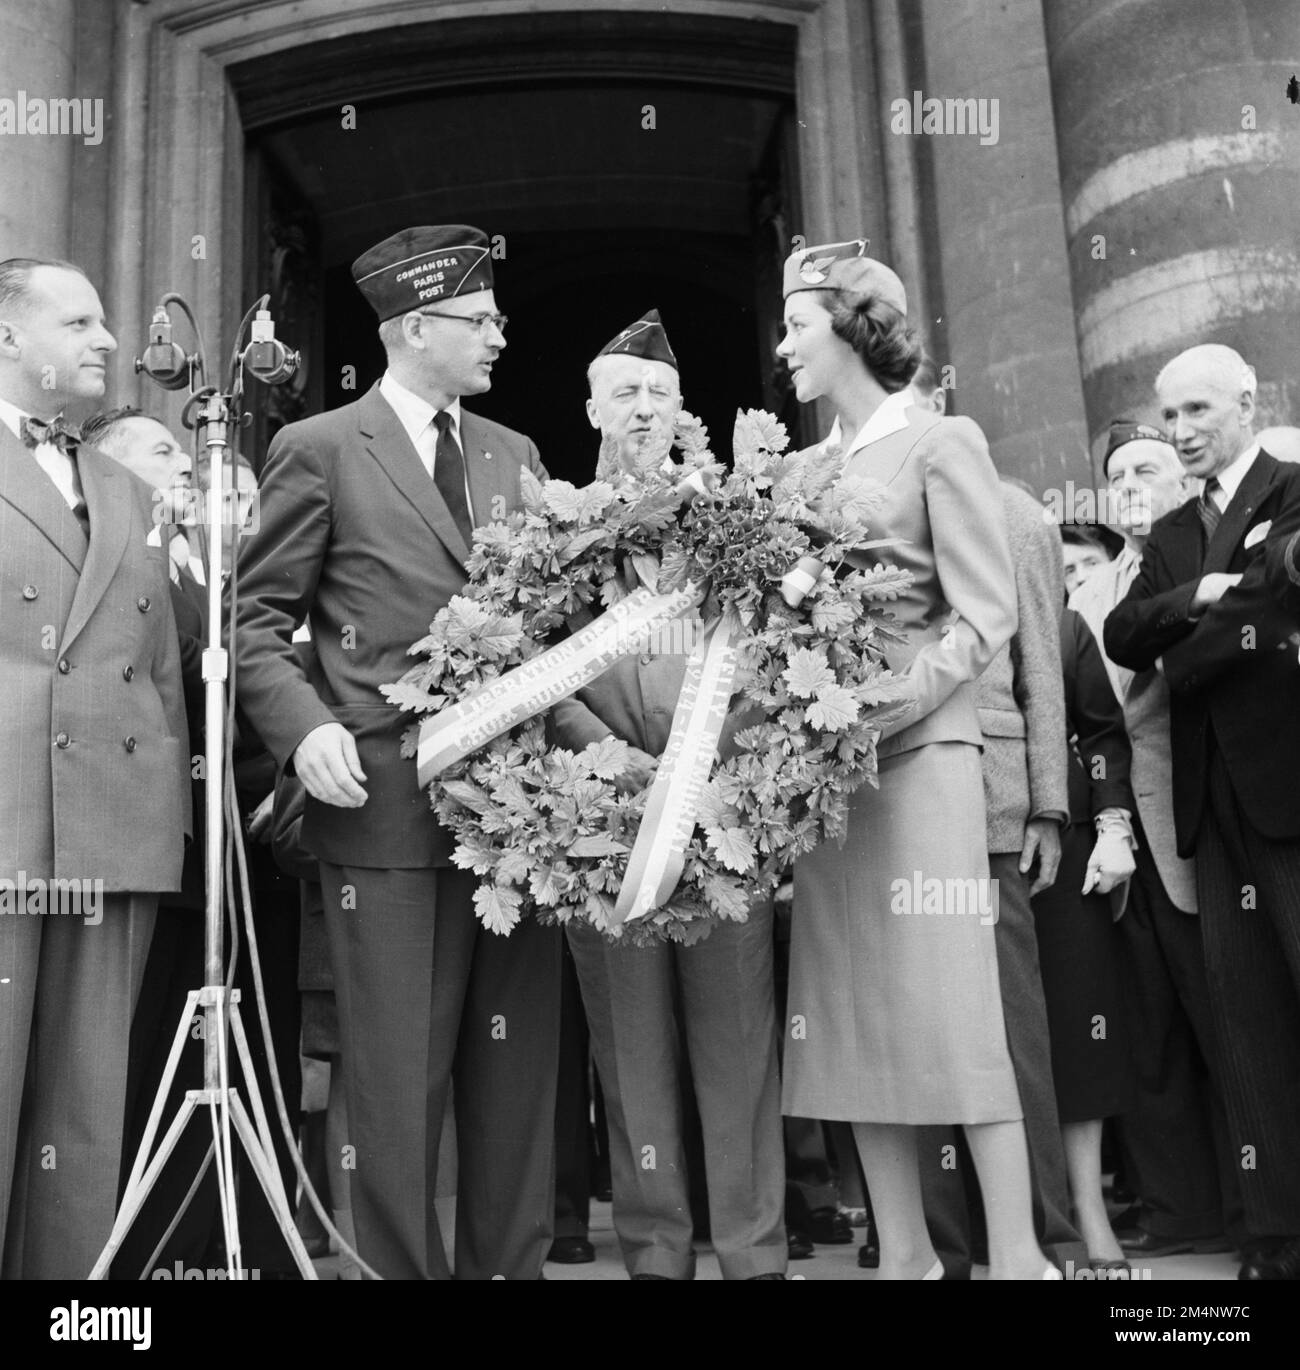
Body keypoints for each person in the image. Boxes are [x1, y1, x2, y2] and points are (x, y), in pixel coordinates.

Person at [232, 225, 562, 1280]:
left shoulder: (517, 454)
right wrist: (307, 724)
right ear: (416, 326)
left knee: (515, 1092)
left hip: (520, 822)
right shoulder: (322, 446)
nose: (500, 334)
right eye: (481, 318)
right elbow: (253, 619)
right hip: (381, 811)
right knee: (391, 1086)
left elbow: (557, 629)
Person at [776, 239, 1056, 1280]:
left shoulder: (945, 441)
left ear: (851, 326)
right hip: (830, 770)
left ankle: (1020, 1257)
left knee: (952, 1007)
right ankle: (902, 1258)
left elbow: (982, 616)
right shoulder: (800, 470)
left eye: (795, 324)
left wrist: (876, 707)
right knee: (849, 1015)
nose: (779, 346)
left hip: (924, 757)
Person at [553, 310, 787, 1280]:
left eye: (658, 392)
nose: (643, 408)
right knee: (630, 1049)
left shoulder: (736, 514)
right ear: (591, 406)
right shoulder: (555, 524)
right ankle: (655, 1248)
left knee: (739, 1046)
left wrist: (716, 770)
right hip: (609, 823)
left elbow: (781, 652)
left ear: (682, 405)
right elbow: (530, 670)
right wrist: (616, 766)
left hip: (723, 809)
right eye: (625, 392)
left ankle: (752, 1247)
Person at [0, 257, 191, 1278]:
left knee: (82, 1113)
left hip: (112, 826)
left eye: (107, 323)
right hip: (7, 823)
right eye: (78, 322)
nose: (109, 343)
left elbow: (156, 661)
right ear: (7, 339)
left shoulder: (123, 482)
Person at [1104, 345, 1300, 1280]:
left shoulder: (1295, 490)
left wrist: (1182, 651)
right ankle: (1275, 1234)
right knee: (1250, 1024)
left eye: (1194, 412)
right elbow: (1120, 630)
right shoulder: (1173, 532)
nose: (1178, 432)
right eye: (1167, 415)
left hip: (1290, 790)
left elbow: (1281, 604)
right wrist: (1202, 598)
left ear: (1247, 402)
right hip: (1209, 807)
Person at [1072, 419, 1241, 1260]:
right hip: (1112, 831)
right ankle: (1181, 1212)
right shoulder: (1090, 592)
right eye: (1117, 474)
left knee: (1225, 1016)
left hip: (1200, 820)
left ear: (1184, 480)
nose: (1132, 482)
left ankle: (1257, 1206)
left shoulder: (1214, 557)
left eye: (1149, 466)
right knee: (1142, 1026)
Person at [919, 474, 1084, 1279]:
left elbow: (1041, 669)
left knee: (1014, 1032)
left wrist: (1050, 805)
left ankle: (1045, 1241)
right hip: (884, 809)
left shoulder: (1011, 508)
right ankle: (939, 1249)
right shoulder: (833, 496)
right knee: (915, 1036)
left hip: (991, 801)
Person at [1031, 600, 1137, 1274]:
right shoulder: (927, 609)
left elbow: (1101, 733)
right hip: (958, 845)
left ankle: (1087, 1208)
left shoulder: (1064, 625)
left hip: (1067, 843)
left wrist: (1112, 823)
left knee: (1079, 1024)